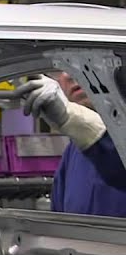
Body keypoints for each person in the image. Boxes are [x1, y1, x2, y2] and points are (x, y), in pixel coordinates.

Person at [16, 72, 126, 216]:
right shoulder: (74, 152)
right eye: (58, 69)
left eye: (84, 61)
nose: (68, 75)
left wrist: (72, 117)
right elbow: (60, 222)